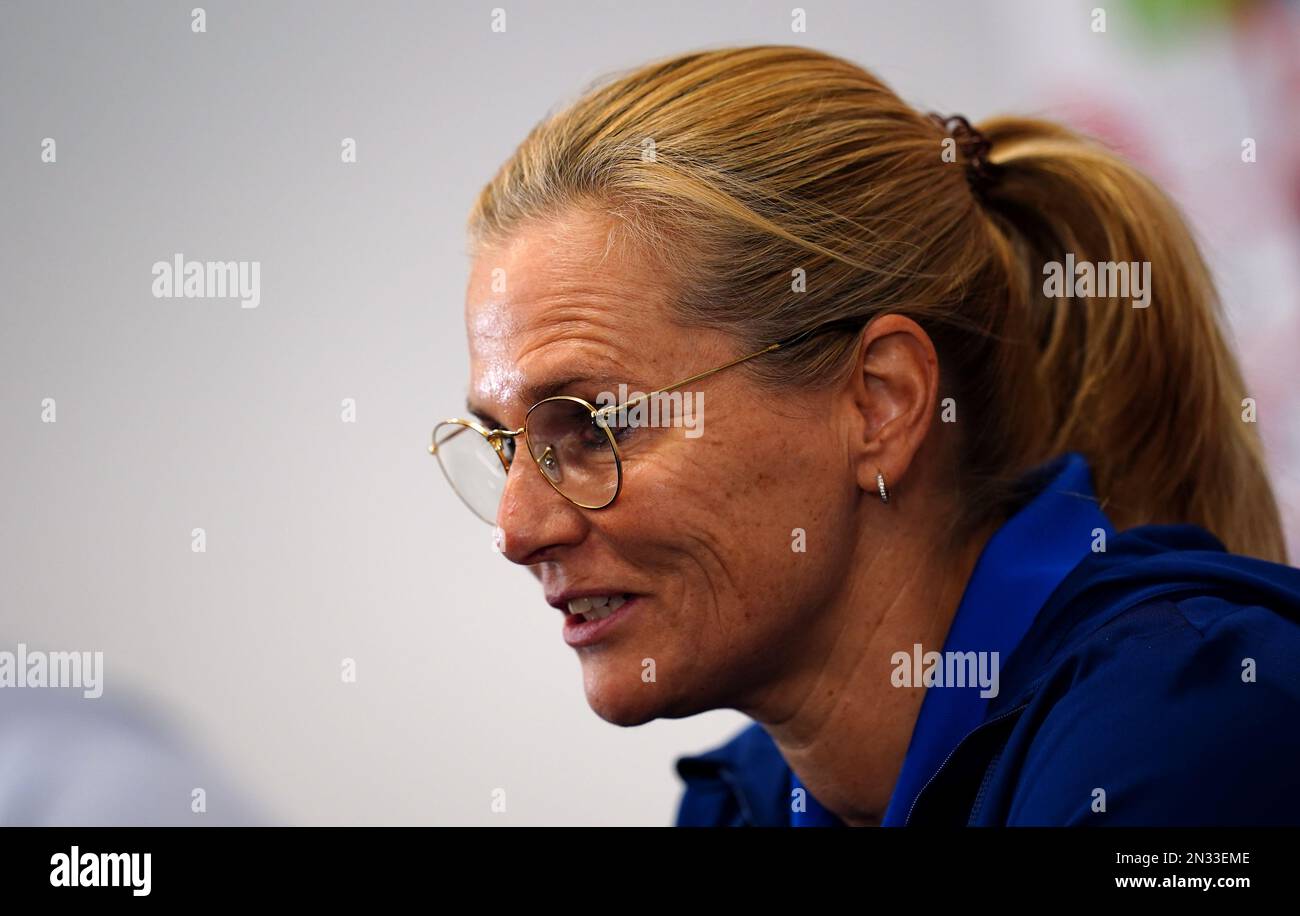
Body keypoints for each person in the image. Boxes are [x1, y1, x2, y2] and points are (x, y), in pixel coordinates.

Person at [429, 45, 1300, 826]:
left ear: (878, 404)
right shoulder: (739, 802)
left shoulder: (1195, 733)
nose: (517, 531)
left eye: (593, 424)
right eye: (505, 444)